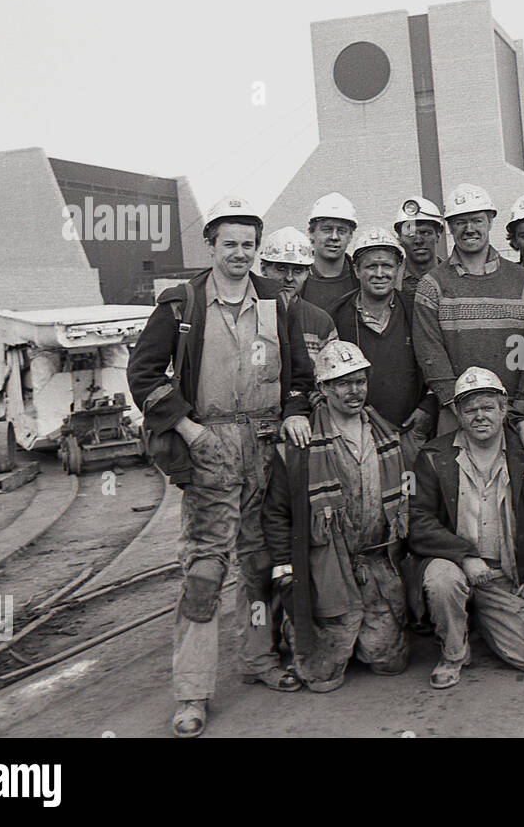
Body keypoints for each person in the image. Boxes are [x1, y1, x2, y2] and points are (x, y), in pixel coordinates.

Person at [126, 196, 314, 737]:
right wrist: (188, 429)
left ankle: (257, 660)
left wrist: (294, 416)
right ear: (210, 246)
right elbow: (144, 377)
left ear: (257, 250)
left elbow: (299, 378)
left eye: (247, 245)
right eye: (228, 243)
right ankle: (191, 694)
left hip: (264, 447)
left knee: (259, 566)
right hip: (208, 446)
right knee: (205, 574)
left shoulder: (279, 302)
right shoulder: (180, 305)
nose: (239, 253)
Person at [261, 340, 411, 691]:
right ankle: (295, 626)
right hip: (325, 567)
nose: (354, 391)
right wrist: (286, 574)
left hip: (373, 562)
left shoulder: (386, 435)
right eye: (343, 383)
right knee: (322, 678)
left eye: (360, 381)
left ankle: (362, 633)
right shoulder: (299, 446)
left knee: (390, 662)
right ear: (324, 388)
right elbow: (276, 514)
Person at [407, 367, 524, 688]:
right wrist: (465, 556)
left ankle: (478, 618)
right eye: (470, 409)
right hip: (457, 567)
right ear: (456, 412)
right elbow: (417, 520)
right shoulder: (432, 456)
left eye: (487, 407)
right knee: (442, 580)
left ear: (503, 408)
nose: (479, 416)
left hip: (506, 575)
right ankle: (453, 652)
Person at [412, 183, 524, 451]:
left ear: (490, 221)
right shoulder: (432, 285)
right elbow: (430, 353)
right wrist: (460, 406)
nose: (469, 228)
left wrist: (518, 410)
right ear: (449, 226)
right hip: (456, 414)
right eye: (460, 222)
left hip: (516, 416)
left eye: (476, 220)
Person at [330, 226, 437, 449]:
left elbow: (436, 361)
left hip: (409, 430)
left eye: (387, 266)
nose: (380, 274)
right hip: (354, 433)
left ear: (398, 268)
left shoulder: (415, 308)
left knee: (411, 484)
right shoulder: (337, 314)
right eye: (371, 266)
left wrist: (427, 407)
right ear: (357, 270)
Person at [258, 226, 338, 357]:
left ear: (307, 273)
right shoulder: (249, 312)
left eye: (297, 270)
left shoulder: (321, 321)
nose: (289, 278)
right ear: (263, 269)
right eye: (281, 268)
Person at [299, 192, 361, 311]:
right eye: (327, 230)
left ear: (350, 236)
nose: (334, 237)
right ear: (311, 233)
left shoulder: (362, 278)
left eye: (341, 231)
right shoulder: (296, 277)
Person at [393, 196, 445, 291]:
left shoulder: (457, 277)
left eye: (425, 233)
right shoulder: (388, 282)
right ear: (399, 238)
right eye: (410, 234)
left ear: (438, 235)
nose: (418, 241)